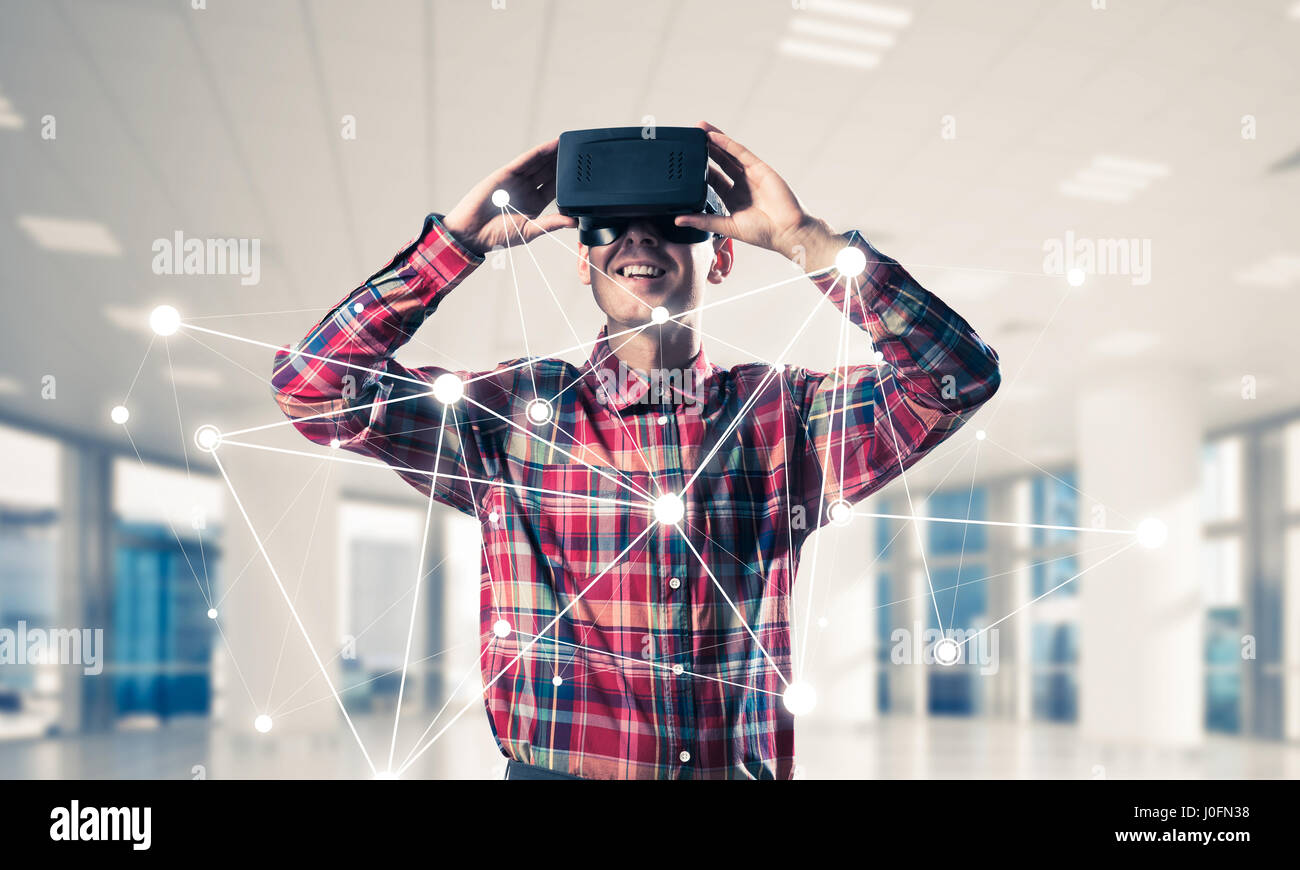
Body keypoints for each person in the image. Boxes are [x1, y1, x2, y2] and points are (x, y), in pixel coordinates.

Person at [271, 121, 1001, 780]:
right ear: (581, 265)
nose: (639, 239)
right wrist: (453, 249)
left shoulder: (785, 417)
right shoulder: (511, 417)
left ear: (719, 261)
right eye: (608, 226)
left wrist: (808, 241)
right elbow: (311, 388)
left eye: (670, 224)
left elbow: (957, 379)